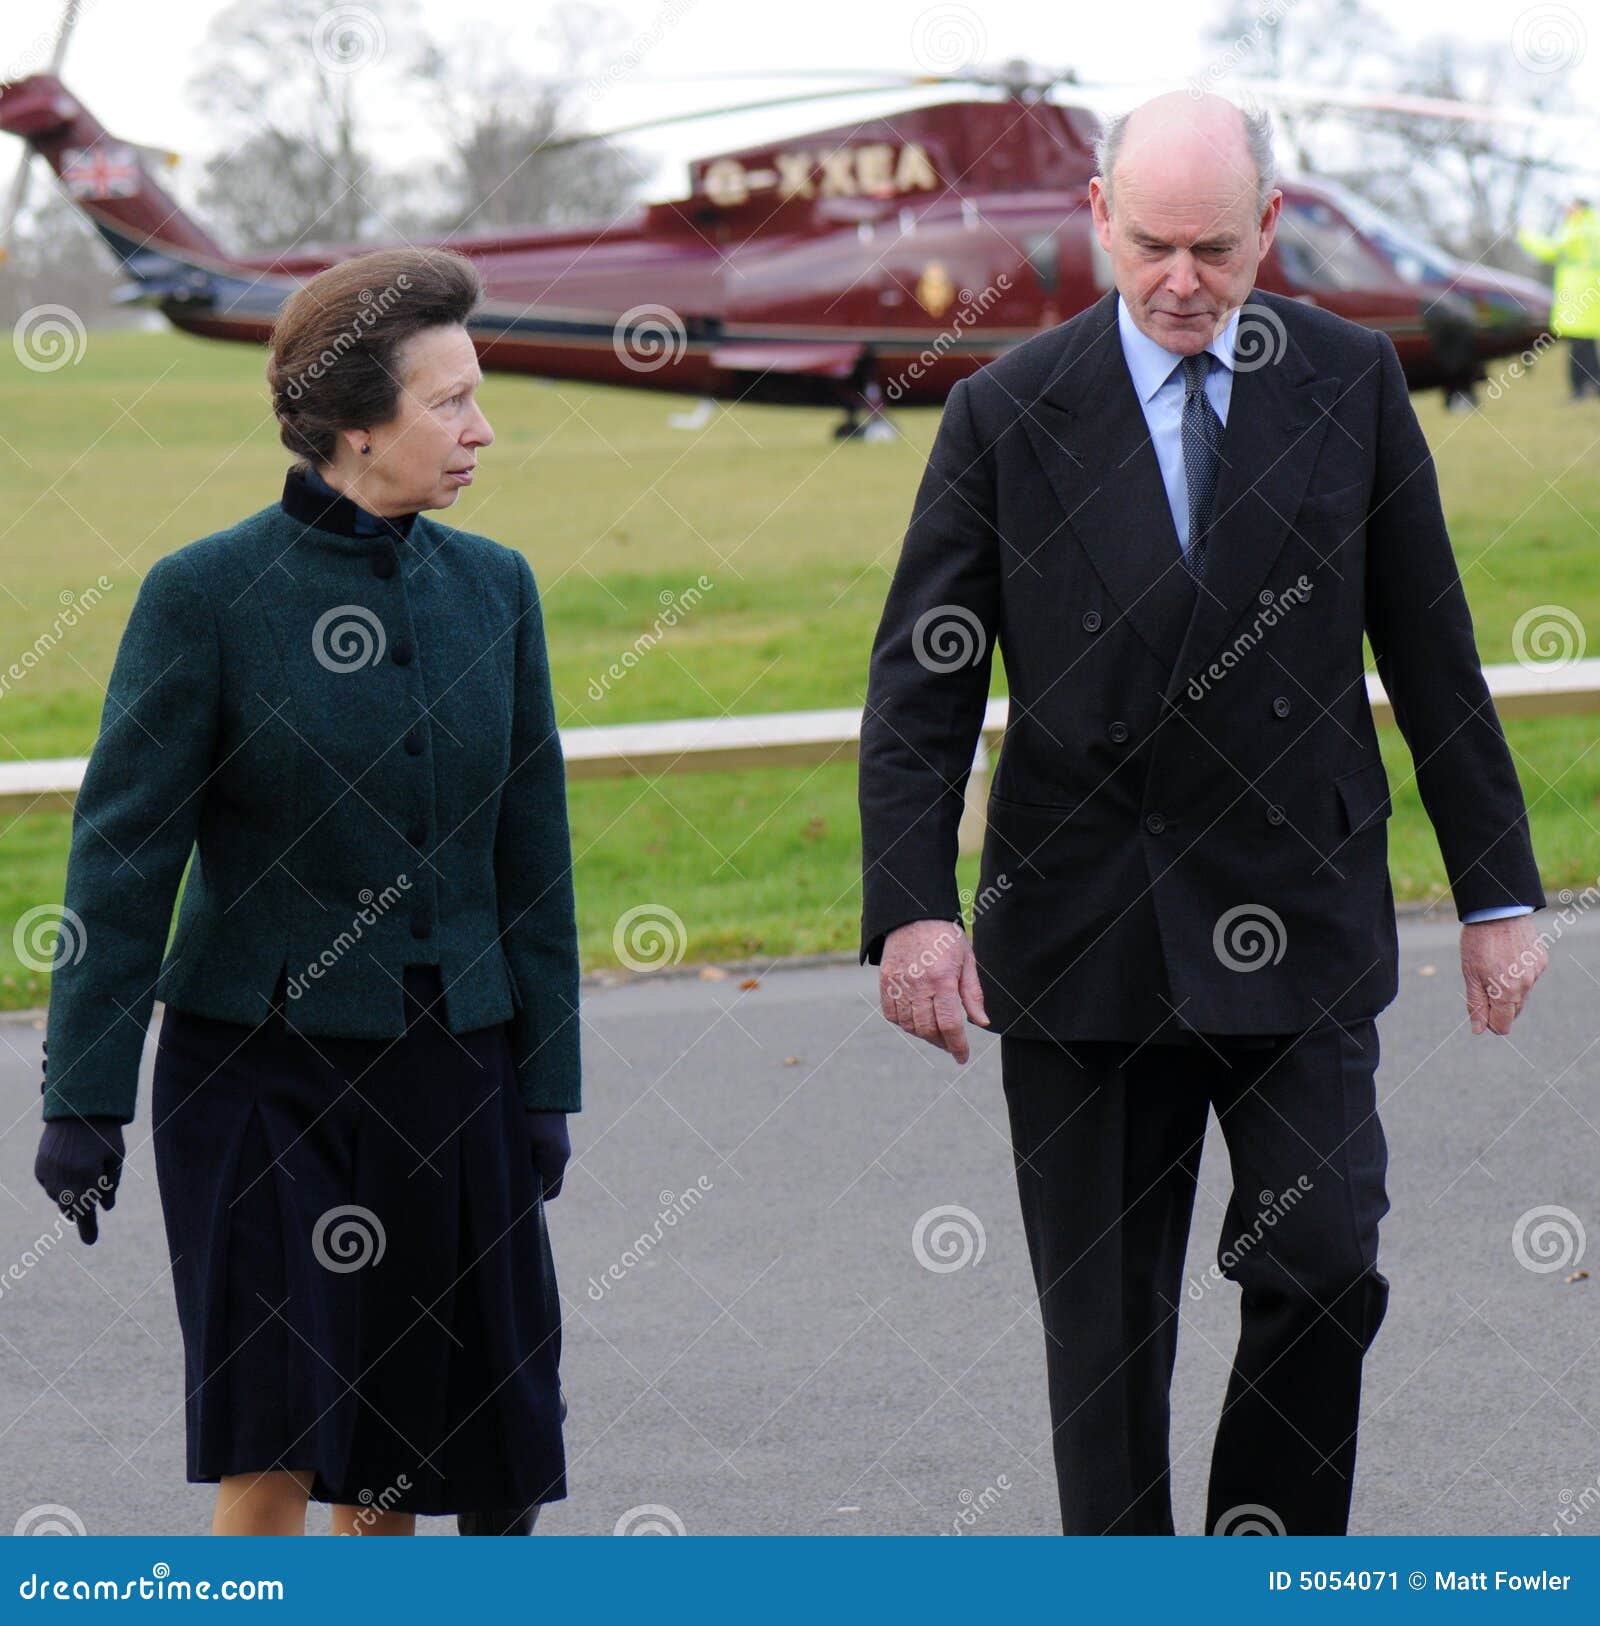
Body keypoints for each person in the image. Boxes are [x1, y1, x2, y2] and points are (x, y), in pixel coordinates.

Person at [858, 92, 1548, 1536]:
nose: (1182, 280)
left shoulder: (1350, 382)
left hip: (1295, 916)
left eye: (1216, 250)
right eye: (1154, 243)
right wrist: (916, 906)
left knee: (1326, 1267)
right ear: (1098, 214)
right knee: (1106, 1344)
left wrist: (1495, 892)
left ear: (1271, 229)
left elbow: (1431, 643)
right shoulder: (1005, 408)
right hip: (1081, 940)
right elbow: (924, 679)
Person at [33, 246, 580, 1536]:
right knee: (274, 1438)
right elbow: (122, 858)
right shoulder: (206, 596)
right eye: (448, 403)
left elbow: (532, 859)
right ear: (351, 423)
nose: (481, 430)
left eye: (477, 393)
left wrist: (545, 1081)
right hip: (259, 1082)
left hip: (456, 1070)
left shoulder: (496, 591)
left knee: (406, 1453)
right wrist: (83, 1096)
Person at [1518, 198, 1600, 399]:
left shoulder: (1578, 230)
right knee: (1584, 345)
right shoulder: (1593, 228)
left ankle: (1584, 388)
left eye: (1571, 206)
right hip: (1588, 296)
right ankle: (1584, 387)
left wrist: (1524, 236)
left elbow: (1550, 250)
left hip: (1579, 294)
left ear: (1580, 208)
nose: (1567, 209)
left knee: (1580, 346)